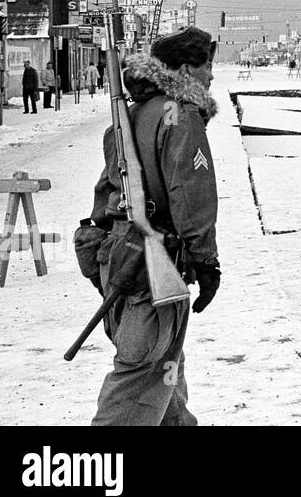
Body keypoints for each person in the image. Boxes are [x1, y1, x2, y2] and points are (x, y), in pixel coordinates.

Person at [88, 27, 221, 426]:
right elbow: (191, 194)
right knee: (138, 382)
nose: (212, 76)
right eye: (207, 66)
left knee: (164, 371)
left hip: (123, 261)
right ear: (185, 69)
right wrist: (206, 261)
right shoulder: (179, 113)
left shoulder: (131, 114)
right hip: (151, 267)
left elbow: (105, 193)